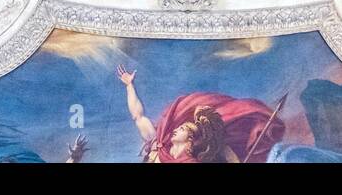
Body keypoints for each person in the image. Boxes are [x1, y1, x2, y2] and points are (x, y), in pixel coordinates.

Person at [115, 65, 283, 162]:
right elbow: (138, 116)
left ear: (190, 138)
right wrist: (129, 86)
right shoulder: (158, 147)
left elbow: (228, 154)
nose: (175, 128)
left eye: (182, 128)